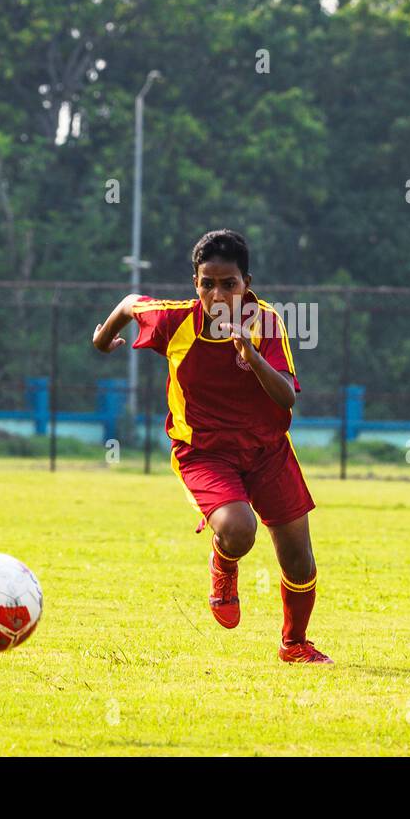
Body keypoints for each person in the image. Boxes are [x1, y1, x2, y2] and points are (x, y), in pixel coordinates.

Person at [92, 229, 331, 664]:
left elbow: (287, 397)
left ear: (247, 284)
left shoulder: (267, 323)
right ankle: (224, 564)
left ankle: (294, 644)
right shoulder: (175, 320)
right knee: (239, 529)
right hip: (204, 453)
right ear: (195, 284)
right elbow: (130, 303)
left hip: (267, 450)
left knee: (299, 560)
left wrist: (252, 355)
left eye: (229, 284)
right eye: (207, 283)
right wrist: (102, 339)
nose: (217, 293)